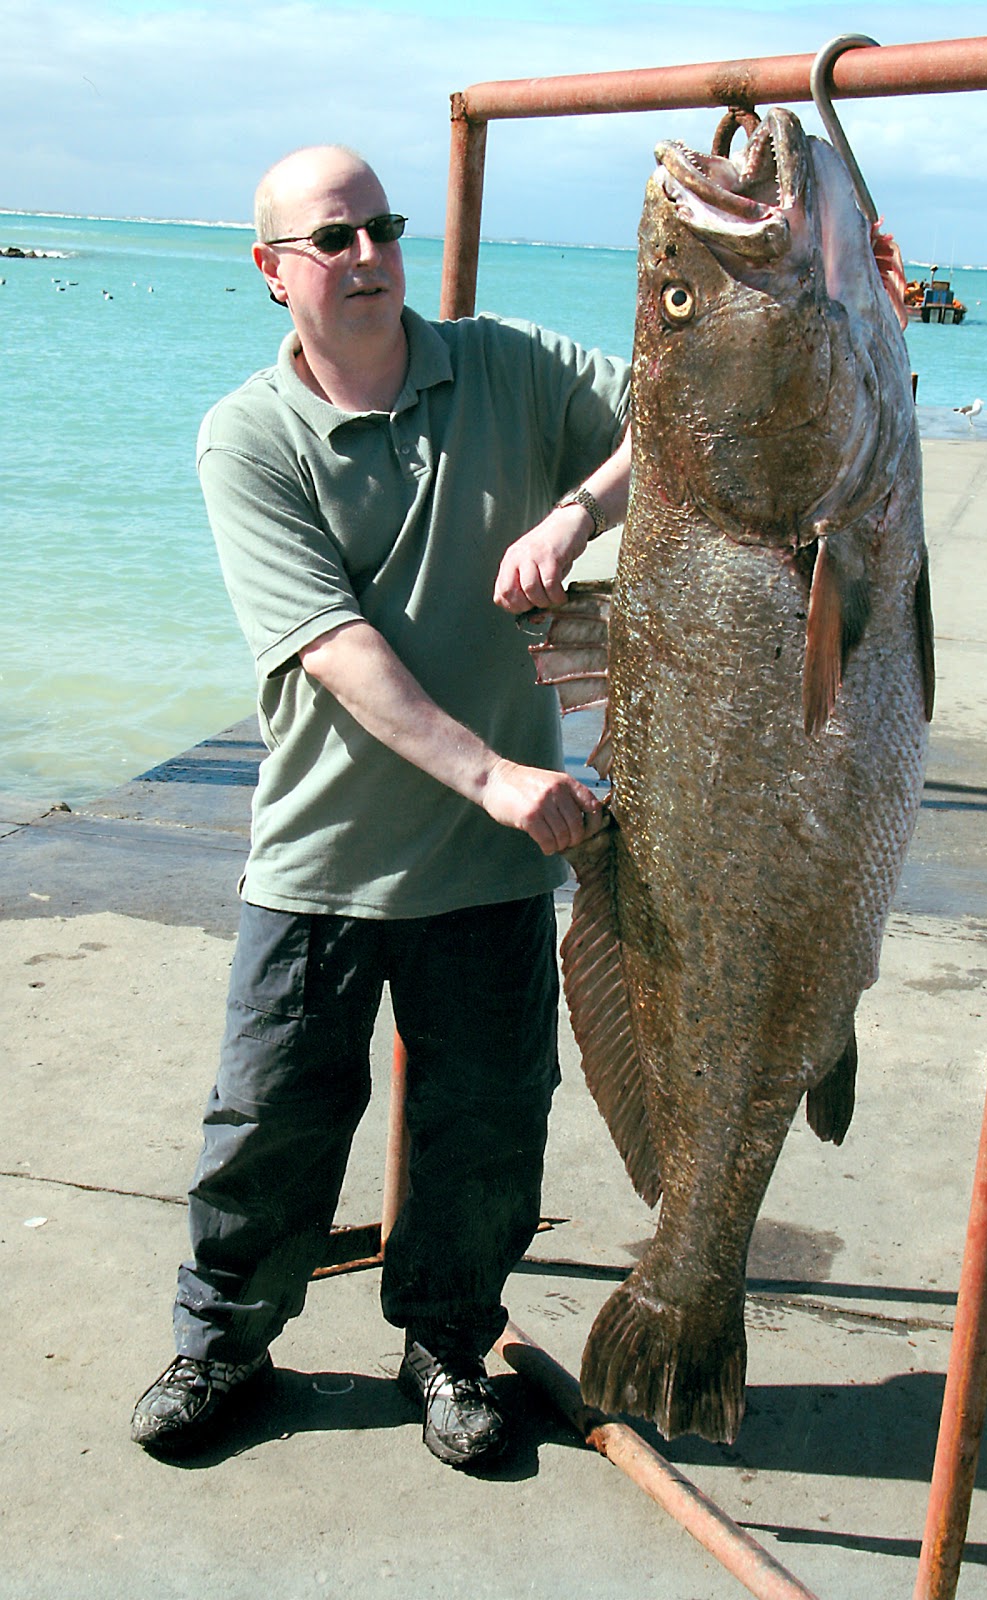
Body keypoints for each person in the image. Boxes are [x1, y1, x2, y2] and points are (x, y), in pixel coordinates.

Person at [130, 144, 631, 1468]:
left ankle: (449, 1348)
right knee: (270, 1123)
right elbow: (334, 645)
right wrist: (498, 774)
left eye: (381, 229)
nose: (366, 257)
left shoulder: (507, 363)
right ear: (270, 271)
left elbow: (680, 437)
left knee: (484, 1131)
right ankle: (224, 1342)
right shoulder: (249, 434)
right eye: (331, 238)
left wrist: (574, 517)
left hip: (493, 866)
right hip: (323, 857)